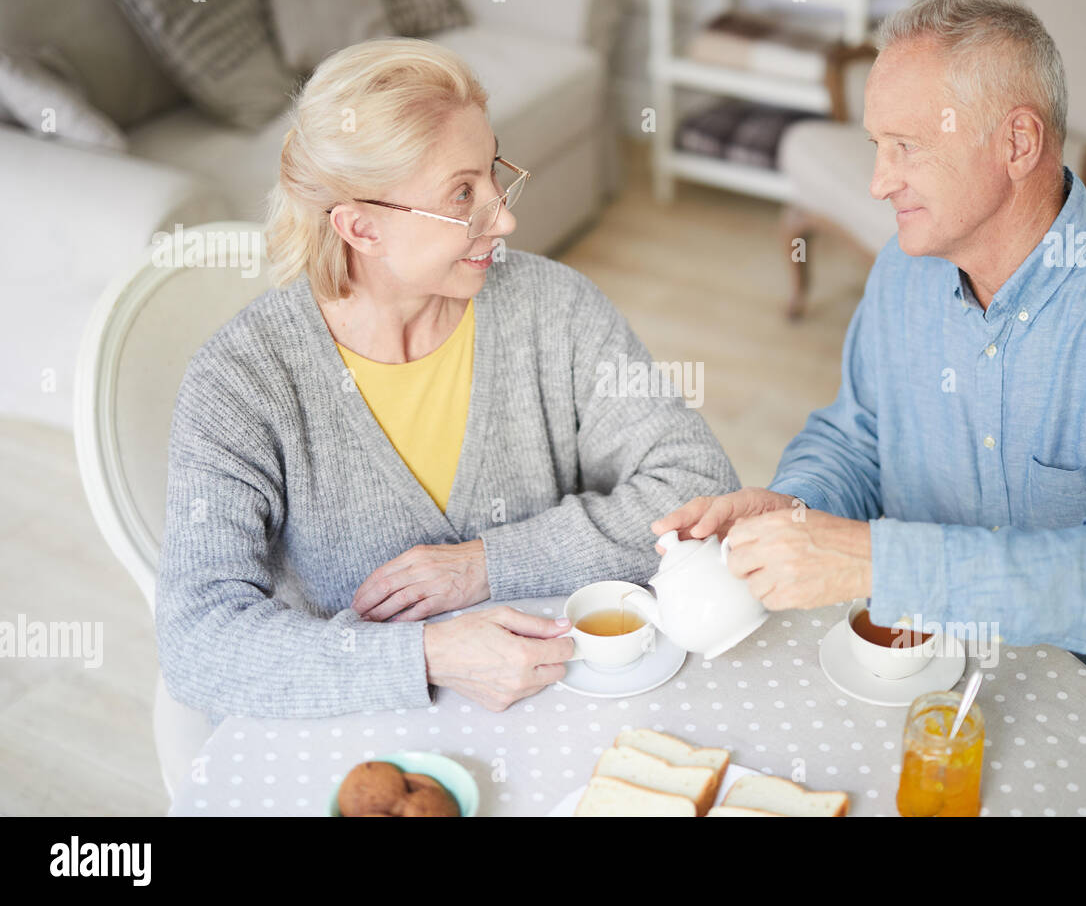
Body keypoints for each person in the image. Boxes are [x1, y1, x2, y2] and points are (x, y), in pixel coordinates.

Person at [654, 0, 1086, 816]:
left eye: (905, 146)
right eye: (876, 146)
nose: (875, 182)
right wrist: (796, 509)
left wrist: (873, 561)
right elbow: (858, 435)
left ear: (1016, 141)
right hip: (942, 674)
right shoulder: (903, 270)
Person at [156, 38, 738, 721]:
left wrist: (486, 563)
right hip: (368, 737)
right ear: (361, 228)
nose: (506, 215)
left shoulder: (554, 307)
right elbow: (198, 641)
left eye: (492, 172)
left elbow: (701, 487)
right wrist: (427, 656)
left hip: (573, 708)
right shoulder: (241, 383)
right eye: (463, 192)